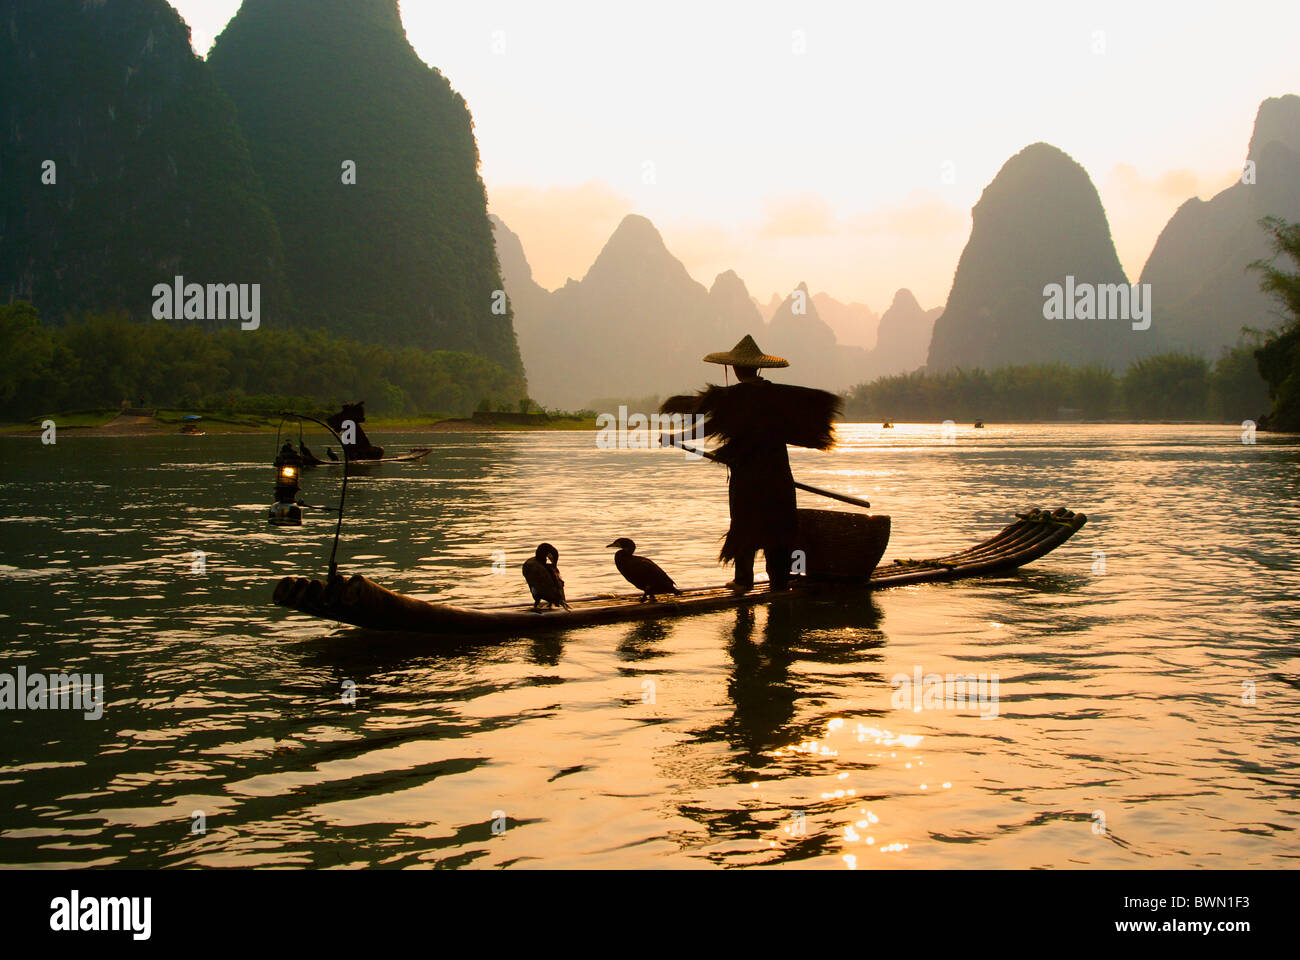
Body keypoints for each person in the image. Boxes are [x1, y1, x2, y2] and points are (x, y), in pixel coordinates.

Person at [660, 335, 840, 592]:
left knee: (744, 524)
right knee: (779, 525)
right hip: (778, 475)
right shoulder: (779, 396)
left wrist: (674, 438)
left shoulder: (733, 397)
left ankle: (744, 581)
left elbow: (708, 427)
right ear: (758, 368)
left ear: (734, 368)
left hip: (747, 476)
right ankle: (779, 581)